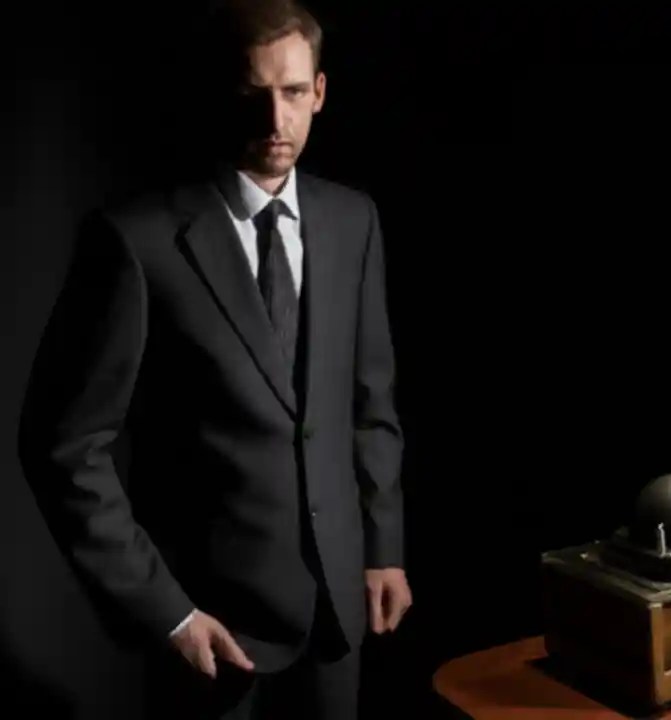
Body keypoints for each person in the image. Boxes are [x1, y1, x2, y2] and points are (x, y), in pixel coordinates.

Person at [17, 1, 412, 717]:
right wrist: (165, 612)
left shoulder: (354, 221)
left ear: (319, 92)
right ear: (224, 93)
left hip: (338, 623)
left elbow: (370, 403)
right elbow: (64, 446)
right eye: (254, 94)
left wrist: (383, 546)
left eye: (293, 94)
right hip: (212, 638)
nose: (275, 120)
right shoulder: (134, 242)